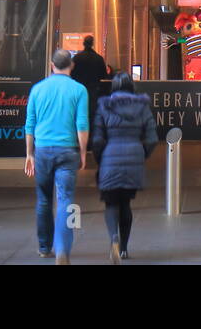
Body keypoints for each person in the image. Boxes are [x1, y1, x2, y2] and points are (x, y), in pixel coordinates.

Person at [24, 49, 90, 263]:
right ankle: (63, 249)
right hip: (68, 151)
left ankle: (44, 247)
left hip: (43, 150)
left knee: (43, 200)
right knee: (66, 201)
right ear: (71, 66)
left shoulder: (37, 89)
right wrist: (82, 152)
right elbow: (81, 125)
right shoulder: (79, 90)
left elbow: (30, 125)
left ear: (52, 65)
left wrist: (29, 154)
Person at [91, 71, 157, 263]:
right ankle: (125, 249)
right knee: (126, 203)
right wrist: (142, 153)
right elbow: (152, 139)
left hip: (109, 157)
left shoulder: (105, 106)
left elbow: (97, 139)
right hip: (134, 156)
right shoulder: (142, 107)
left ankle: (114, 238)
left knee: (111, 202)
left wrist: (100, 158)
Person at [70, 35, 107, 146]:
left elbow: (71, 75)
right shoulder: (99, 59)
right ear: (92, 44)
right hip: (93, 93)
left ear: (83, 43)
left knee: (78, 116)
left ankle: (79, 141)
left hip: (78, 93)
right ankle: (90, 142)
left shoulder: (76, 59)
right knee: (91, 117)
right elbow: (103, 76)